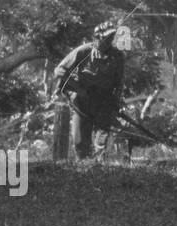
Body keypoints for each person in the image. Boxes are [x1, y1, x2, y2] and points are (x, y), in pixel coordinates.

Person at [54, 23, 126, 159]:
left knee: (101, 142)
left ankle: (100, 170)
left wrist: (116, 102)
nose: (108, 41)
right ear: (97, 37)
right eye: (105, 37)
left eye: (111, 37)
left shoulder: (118, 56)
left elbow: (119, 83)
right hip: (82, 102)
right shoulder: (84, 51)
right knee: (80, 141)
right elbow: (59, 70)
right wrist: (79, 88)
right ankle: (83, 168)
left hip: (104, 102)